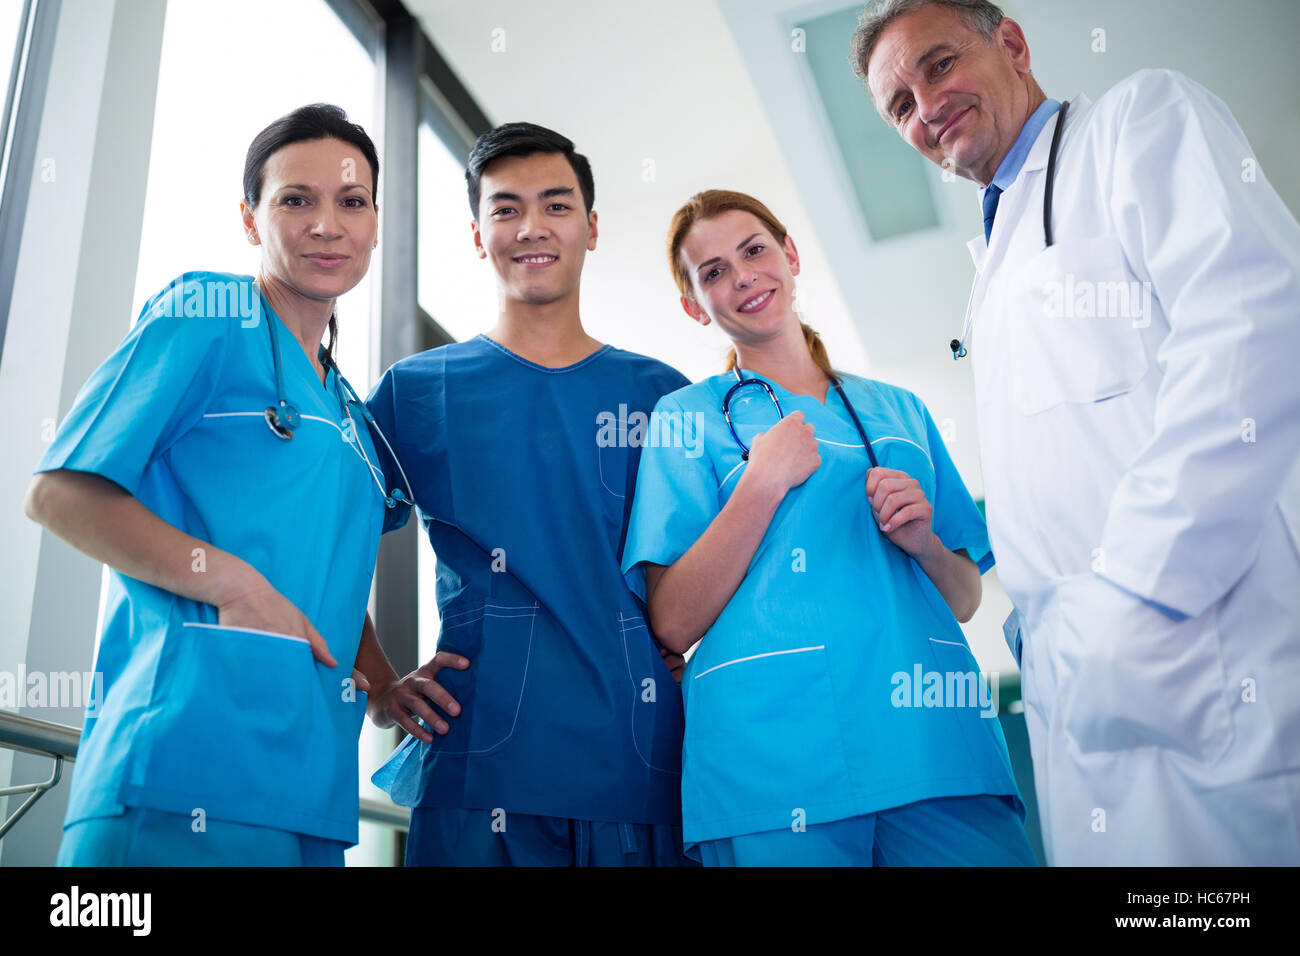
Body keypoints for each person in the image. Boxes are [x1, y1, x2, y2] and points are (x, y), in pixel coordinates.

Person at [855, 0, 1300, 864]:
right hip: (1080, 694)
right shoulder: (993, 259)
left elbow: (1255, 328)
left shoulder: (1137, 122)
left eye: (938, 65)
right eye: (899, 104)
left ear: (1012, 44)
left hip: (1202, 656)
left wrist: (1132, 596)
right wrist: (1051, 637)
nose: (925, 104)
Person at [24, 104, 408, 866]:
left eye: (352, 201)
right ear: (250, 218)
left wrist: (383, 682)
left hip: (311, 791)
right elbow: (62, 492)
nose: (327, 224)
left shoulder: (351, 413)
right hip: (181, 760)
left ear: (373, 223)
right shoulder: (208, 313)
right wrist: (231, 584)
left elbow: (316, 568)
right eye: (296, 200)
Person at [619, 189, 1035, 866]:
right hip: (772, 757)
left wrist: (922, 541)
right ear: (695, 305)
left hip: (931, 747)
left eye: (754, 250)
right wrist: (760, 484)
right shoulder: (685, 418)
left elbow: (963, 598)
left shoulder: (901, 411)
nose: (744, 275)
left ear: (790, 254)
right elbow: (671, 621)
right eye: (714, 271)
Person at [363, 123, 695, 867]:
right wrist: (381, 681)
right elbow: (322, 542)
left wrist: (691, 644)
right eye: (506, 209)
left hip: (640, 764)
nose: (532, 227)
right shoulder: (418, 393)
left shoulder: (662, 396)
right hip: (482, 766)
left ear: (592, 227)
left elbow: (713, 566)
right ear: (479, 235)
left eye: (556, 204)